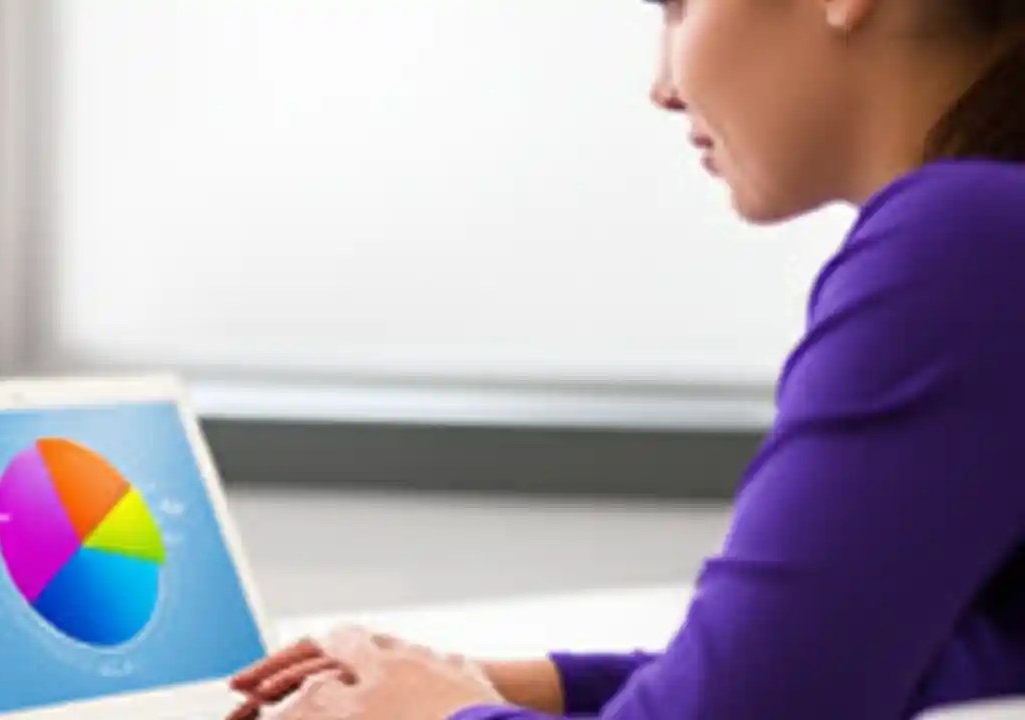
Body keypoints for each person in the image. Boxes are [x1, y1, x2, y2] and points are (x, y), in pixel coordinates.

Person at [226, 0, 1025, 717]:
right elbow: (860, 674)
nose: (663, 85)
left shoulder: (964, 241)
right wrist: (490, 687)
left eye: (678, 8)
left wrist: (434, 719)